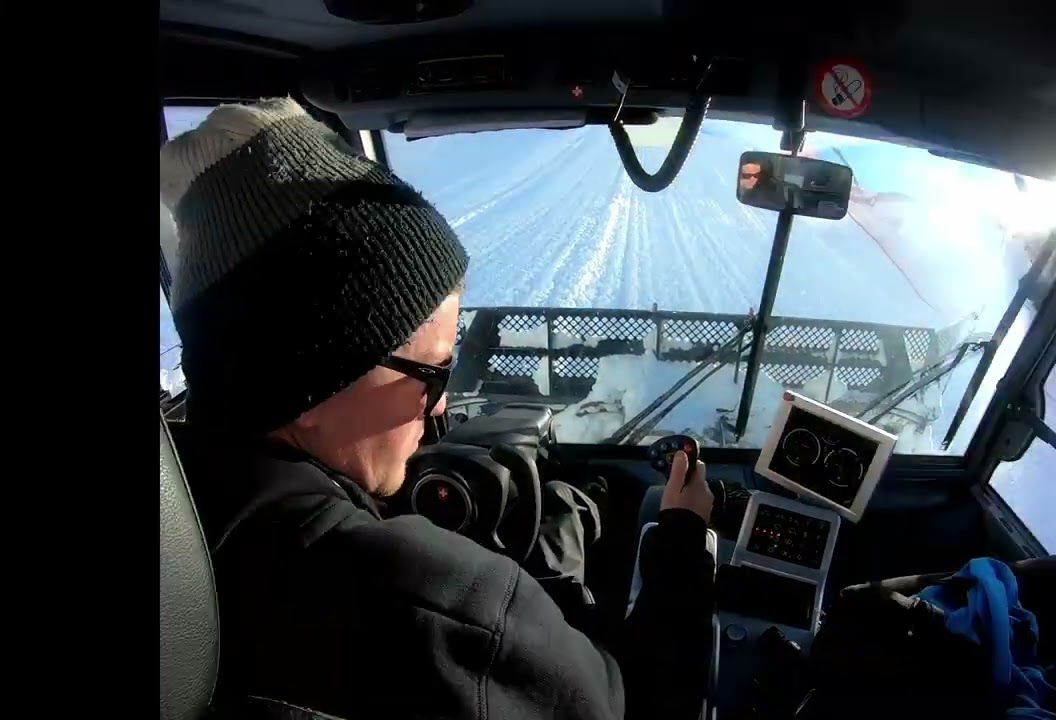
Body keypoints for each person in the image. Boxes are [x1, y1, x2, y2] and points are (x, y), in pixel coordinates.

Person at [160, 97, 716, 720]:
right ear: (310, 383)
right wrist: (682, 538)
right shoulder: (441, 614)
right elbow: (650, 702)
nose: (443, 405)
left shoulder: (181, 537)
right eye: (432, 371)